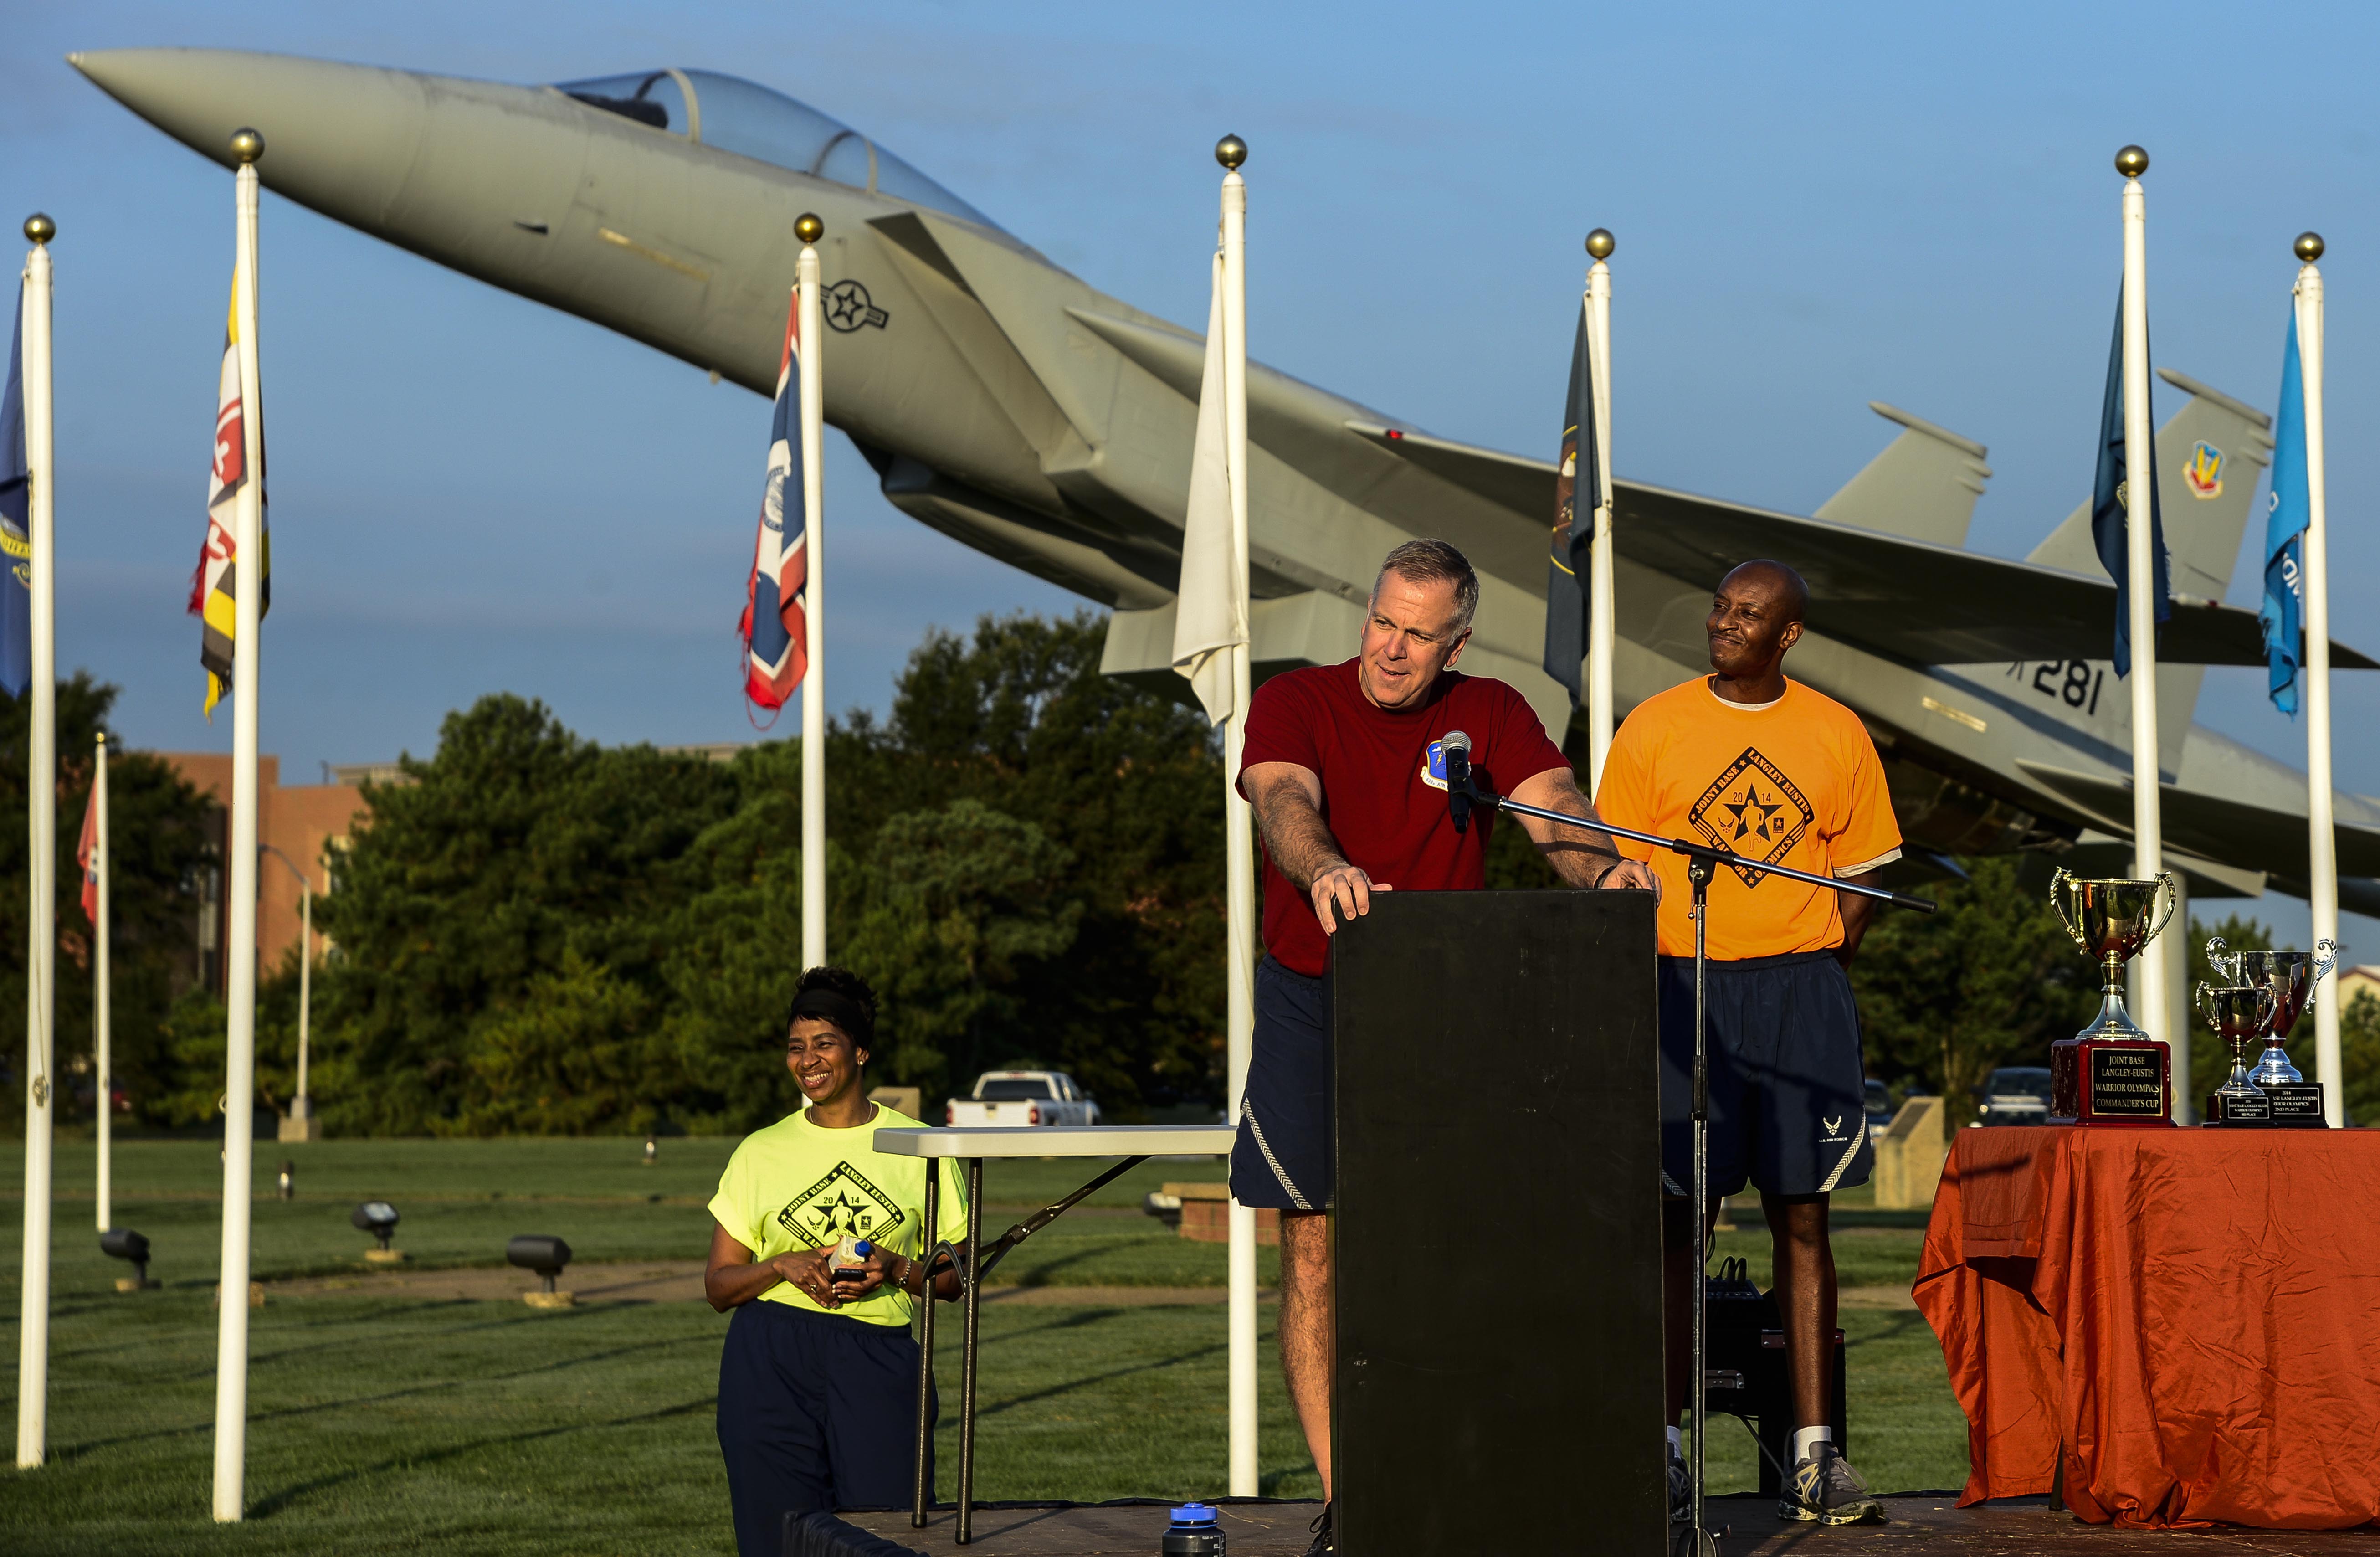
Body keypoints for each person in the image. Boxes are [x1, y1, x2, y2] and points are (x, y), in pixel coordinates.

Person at [1235, 538, 1657, 1554]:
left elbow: (1551, 805)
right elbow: (1282, 801)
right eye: (1382, 620)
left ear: (1455, 641)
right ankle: (1354, 1502)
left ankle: (1463, 1472)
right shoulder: (1295, 698)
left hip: (1448, 1008)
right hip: (1313, 996)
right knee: (1314, 1242)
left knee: (1458, 1243)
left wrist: (1599, 871)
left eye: (1418, 634)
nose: (1391, 647)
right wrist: (1328, 867)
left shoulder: (1494, 712)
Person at [1593, 560, 1901, 1528]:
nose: (1724, 624)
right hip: (1682, 990)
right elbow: (1613, 866)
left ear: (1788, 635)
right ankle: (1664, 1448)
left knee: (1801, 1217)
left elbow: (1862, 876)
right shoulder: (1654, 725)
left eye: (1747, 615)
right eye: (1721, 608)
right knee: (1678, 1220)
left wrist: (1810, 950)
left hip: (1796, 993)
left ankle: (1813, 1454)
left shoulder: (1833, 730)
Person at [706, 966, 968, 1557]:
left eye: (824, 1043)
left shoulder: (923, 1145)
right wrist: (780, 1265)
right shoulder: (759, 1150)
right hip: (768, 1358)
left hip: (876, 1357)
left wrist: (897, 1268)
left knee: (887, 1536)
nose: (809, 1059)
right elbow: (719, 1284)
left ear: (861, 1049)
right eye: (797, 1047)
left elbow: (956, 1276)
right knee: (775, 1536)